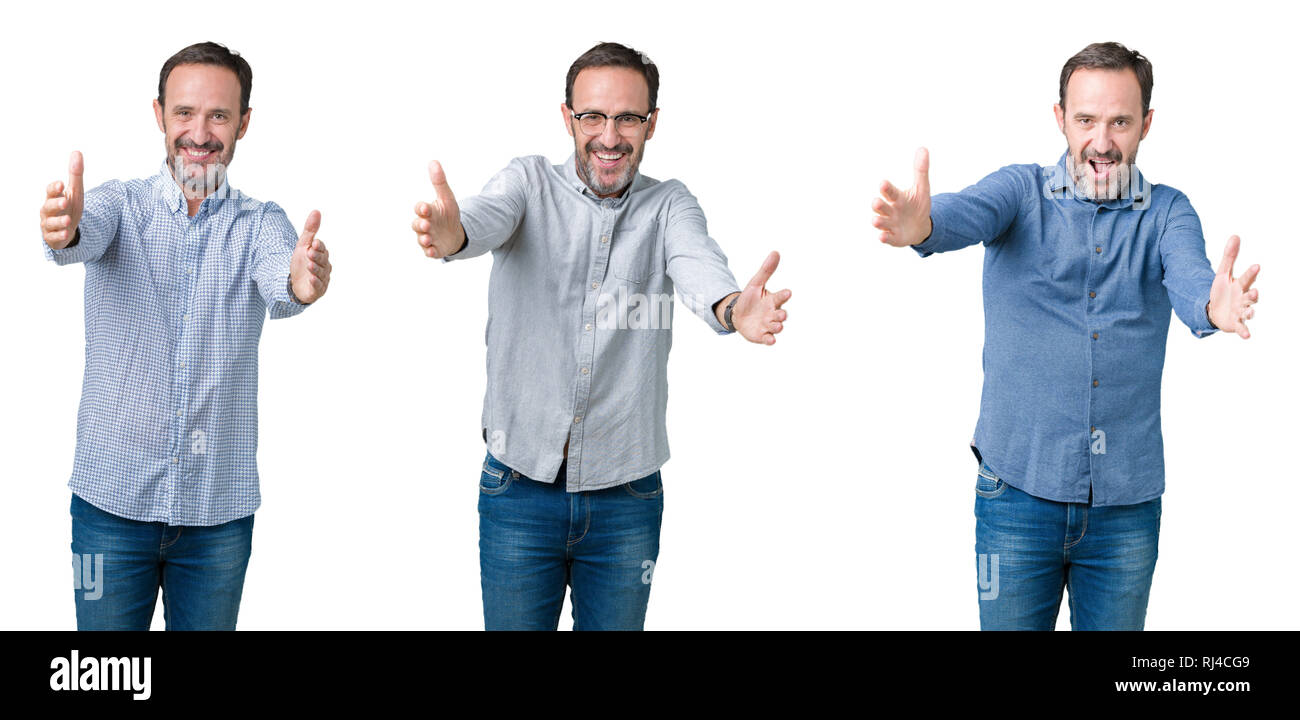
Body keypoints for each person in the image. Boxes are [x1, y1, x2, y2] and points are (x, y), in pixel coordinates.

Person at [872, 42, 1260, 630]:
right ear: (1060, 118)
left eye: (1120, 122)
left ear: (1146, 125)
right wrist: (921, 224)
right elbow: (963, 214)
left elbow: (1191, 278)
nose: (1101, 143)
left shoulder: (1168, 213)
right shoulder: (1020, 192)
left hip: (1125, 510)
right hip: (1015, 499)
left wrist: (1215, 304)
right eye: (1086, 120)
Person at [411, 41, 792, 630]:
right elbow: (484, 217)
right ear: (567, 118)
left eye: (627, 118)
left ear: (652, 124)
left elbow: (698, 264)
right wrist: (453, 230)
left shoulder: (669, 205)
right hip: (517, 490)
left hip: (626, 500)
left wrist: (732, 306)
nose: (609, 136)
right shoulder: (527, 182)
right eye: (592, 116)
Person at [40, 41, 332, 630]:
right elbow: (78, 234)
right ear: (159, 115)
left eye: (219, 115)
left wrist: (302, 282)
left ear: (244, 124)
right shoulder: (118, 206)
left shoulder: (262, 224)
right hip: (107, 509)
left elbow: (284, 277)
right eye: (185, 113)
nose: (200, 133)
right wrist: (63, 230)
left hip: (216, 521)